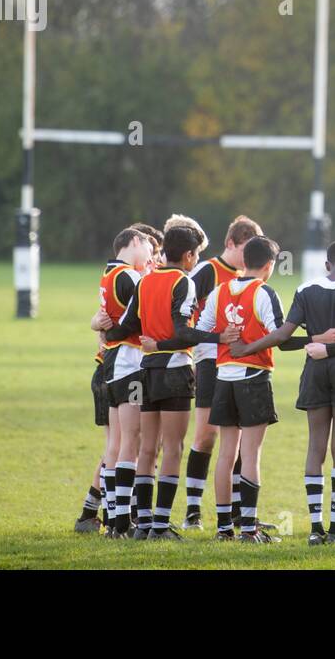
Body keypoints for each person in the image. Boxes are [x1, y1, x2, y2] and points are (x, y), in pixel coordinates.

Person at [224, 238, 335, 546]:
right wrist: (334, 347)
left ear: (326, 265)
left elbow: (281, 336)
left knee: (314, 447)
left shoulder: (306, 289)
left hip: (315, 370)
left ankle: (314, 529)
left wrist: (244, 350)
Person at [102, 224, 216, 539]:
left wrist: (101, 329)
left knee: (147, 448)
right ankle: (161, 526)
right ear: (190, 255)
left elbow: (125, 328)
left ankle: (143, 525)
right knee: (175, 448)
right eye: (196, 256)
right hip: (176, 371)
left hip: (145, 372)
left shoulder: (145, 281)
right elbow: (183, 333)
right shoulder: (184, 282)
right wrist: (220, 337)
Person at [194, 235, 285, 543]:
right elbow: (279, 336)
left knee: (225, 454)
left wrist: (224, 336)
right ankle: (248, 529)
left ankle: (223, 529)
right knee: (251, 454)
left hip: (223, 378)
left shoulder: (220, 291)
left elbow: (201, 330)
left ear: (244, 261)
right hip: (254, 377)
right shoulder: (264, 292)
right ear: (269, 265)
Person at [181, 215, 262, 530]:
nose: (250, 256)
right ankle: (192, 512)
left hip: (239, 362)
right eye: (246, 248)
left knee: (238, 436)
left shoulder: (248, 277)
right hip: (209, 359)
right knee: (206, 435)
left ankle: (241, 513)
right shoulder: (207, 272)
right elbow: (186, 317)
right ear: (231, 243)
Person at [76, 226, 154, 534]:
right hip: (130, 364)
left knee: (117, 442)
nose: (149, 257)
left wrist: (100, 325)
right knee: (130, 440)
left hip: (111, 363)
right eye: (148, 249)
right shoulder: (129, 278)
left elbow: (106, 319)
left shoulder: (108, 275)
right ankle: (122, 521)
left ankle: (113, 518)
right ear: (135, 242)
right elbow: (147, 313)